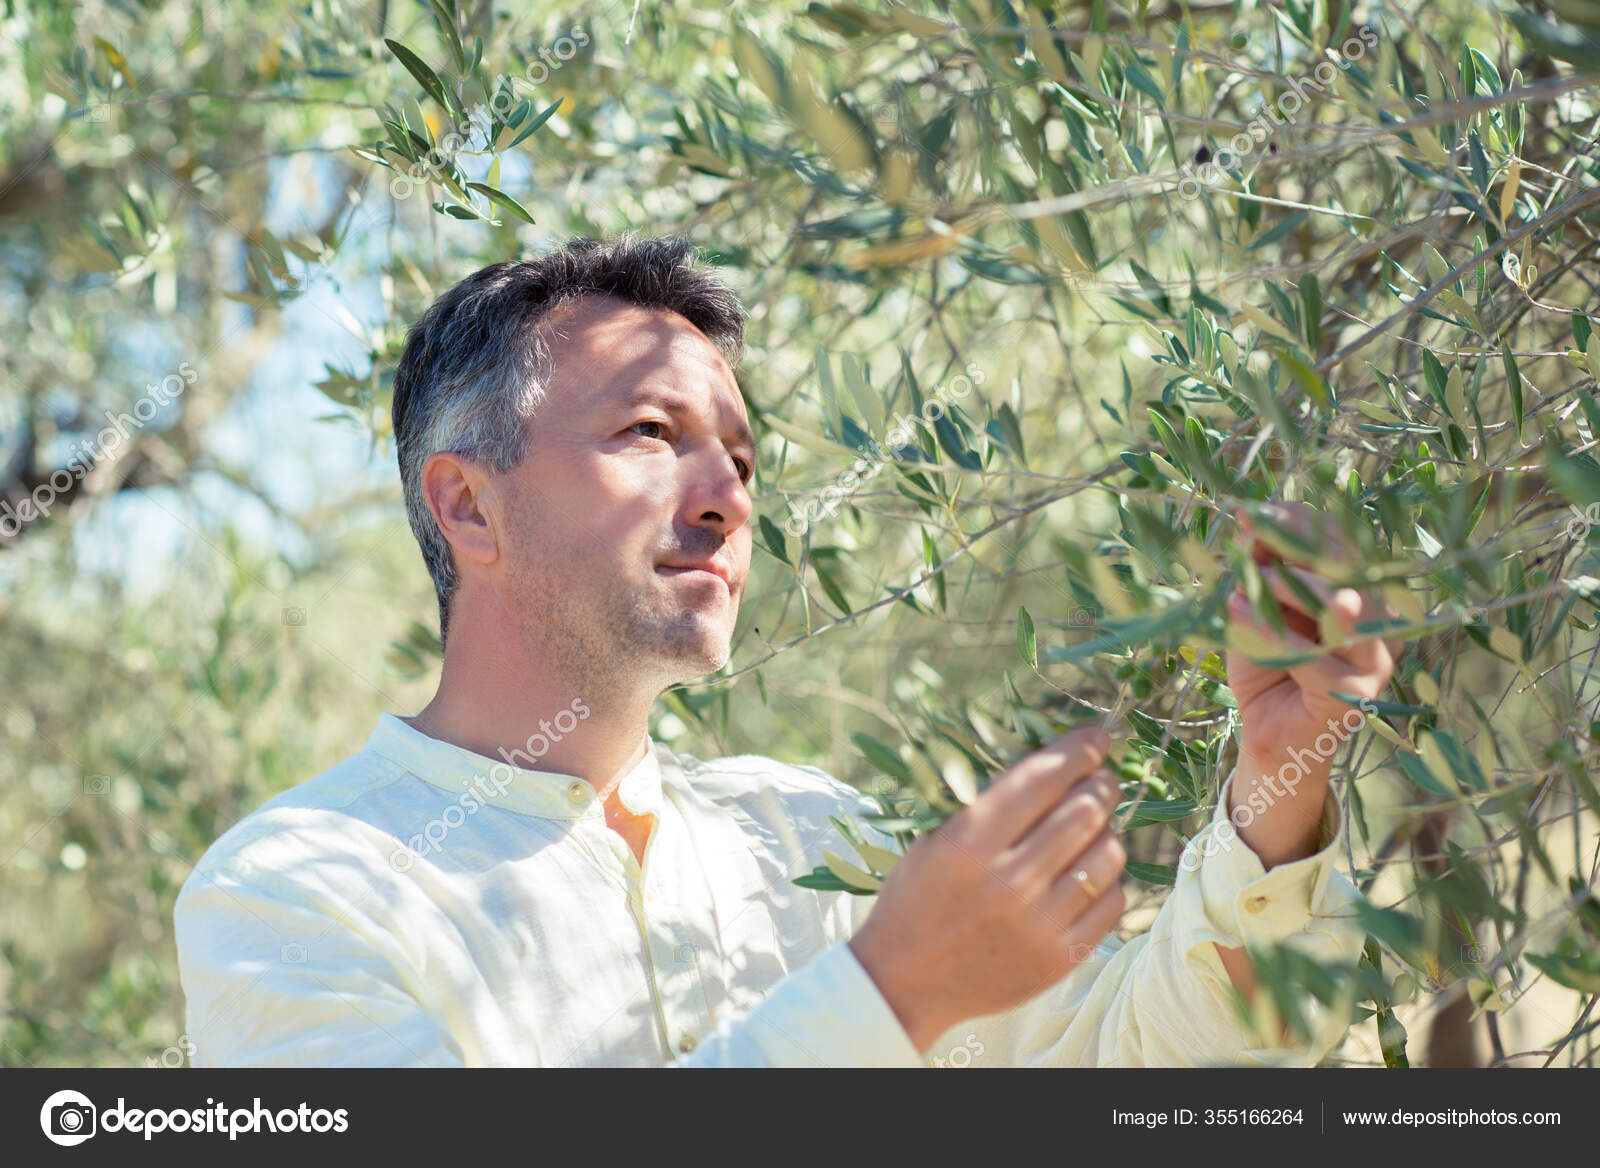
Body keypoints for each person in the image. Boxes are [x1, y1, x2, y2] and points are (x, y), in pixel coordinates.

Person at [174, 232, 1398, 1067]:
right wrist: (885, 993)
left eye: (744, 460)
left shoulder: (814, 839)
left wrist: (1275, 790)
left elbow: (1139, 1070)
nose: (725, 496)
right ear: (468, 506)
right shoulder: (290, 893)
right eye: (650, 433)